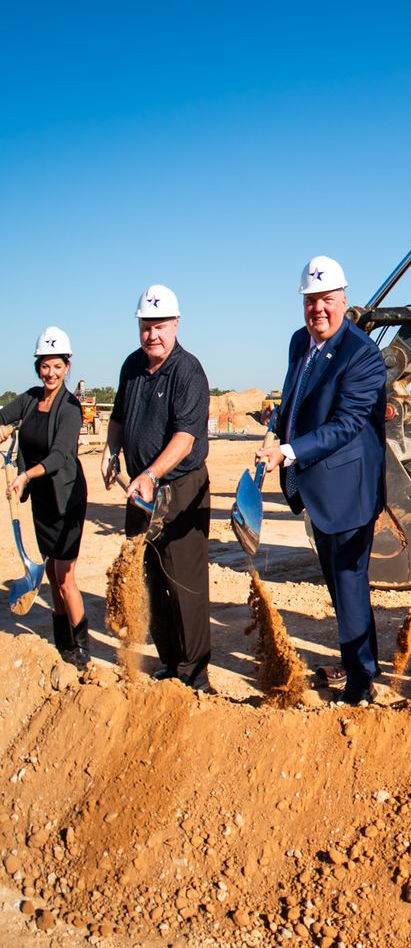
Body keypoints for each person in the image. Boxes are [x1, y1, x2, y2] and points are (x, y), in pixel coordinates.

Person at [255, 256, 388, 706]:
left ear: (344, 301)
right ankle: (359, 661)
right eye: (311, 301)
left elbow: (347, 423)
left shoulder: (361, 354)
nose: (319, 309)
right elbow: (297, 397)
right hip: (317, 486)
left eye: (327, 300)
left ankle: (361, 681)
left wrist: (289, 451)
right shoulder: (300, 341)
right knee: (338, 582)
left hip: (348, 489)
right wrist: (276, 427)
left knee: (349, 582)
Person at [103, 286, 212, 684]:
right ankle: (170, 663)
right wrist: (110, 450)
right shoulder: (131, 366)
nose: (152, 335)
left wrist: (150, 474)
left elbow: (185, 439)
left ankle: (195, 676)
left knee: (185, 586)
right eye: (146, 326)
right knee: (148, 580)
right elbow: (118, 416)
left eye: (160, 326)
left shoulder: (188, 372)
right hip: (140, 491)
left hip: (180, 488)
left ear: (176, 325)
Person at [1, 328, 89, 665]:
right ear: (38, 366)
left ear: (67, 366)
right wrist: (3, 427)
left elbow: (59, 456)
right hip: (42, 500)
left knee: (65, 578)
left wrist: (24, 475)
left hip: (66, 500)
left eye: (57, 366)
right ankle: (63, 644)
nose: (50, 373)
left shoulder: (71, 408)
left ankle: (82, 650)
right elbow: (3, 416)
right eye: (44, 366)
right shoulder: (29, 398)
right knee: (51, 573)